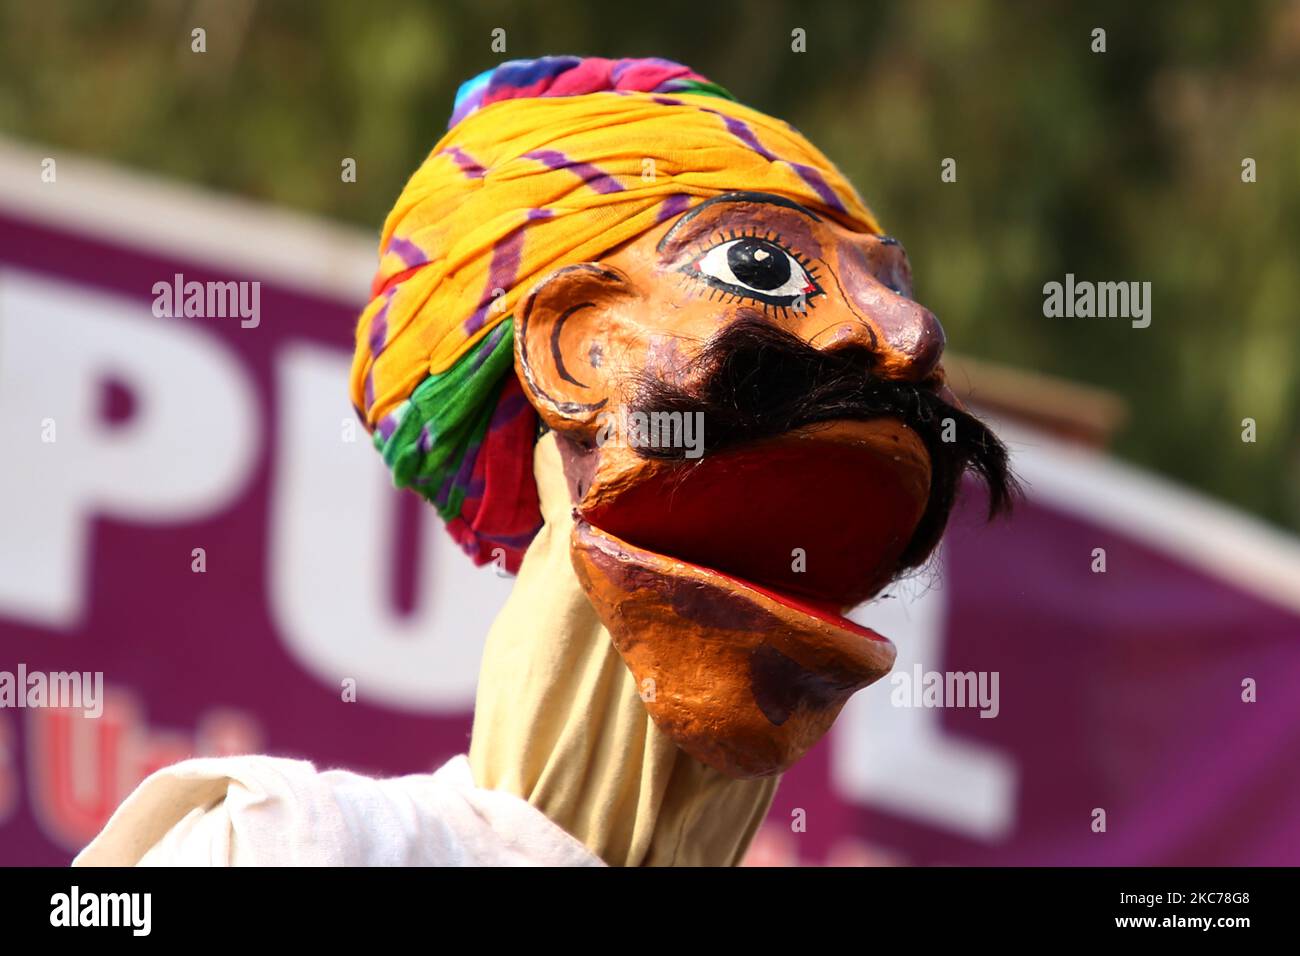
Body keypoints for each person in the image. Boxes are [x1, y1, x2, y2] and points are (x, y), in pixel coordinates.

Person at [75, 55, 1012, 867]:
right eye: (764, 272)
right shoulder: (283, 848)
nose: (911, 337)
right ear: (572, 348)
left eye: (891, 291)